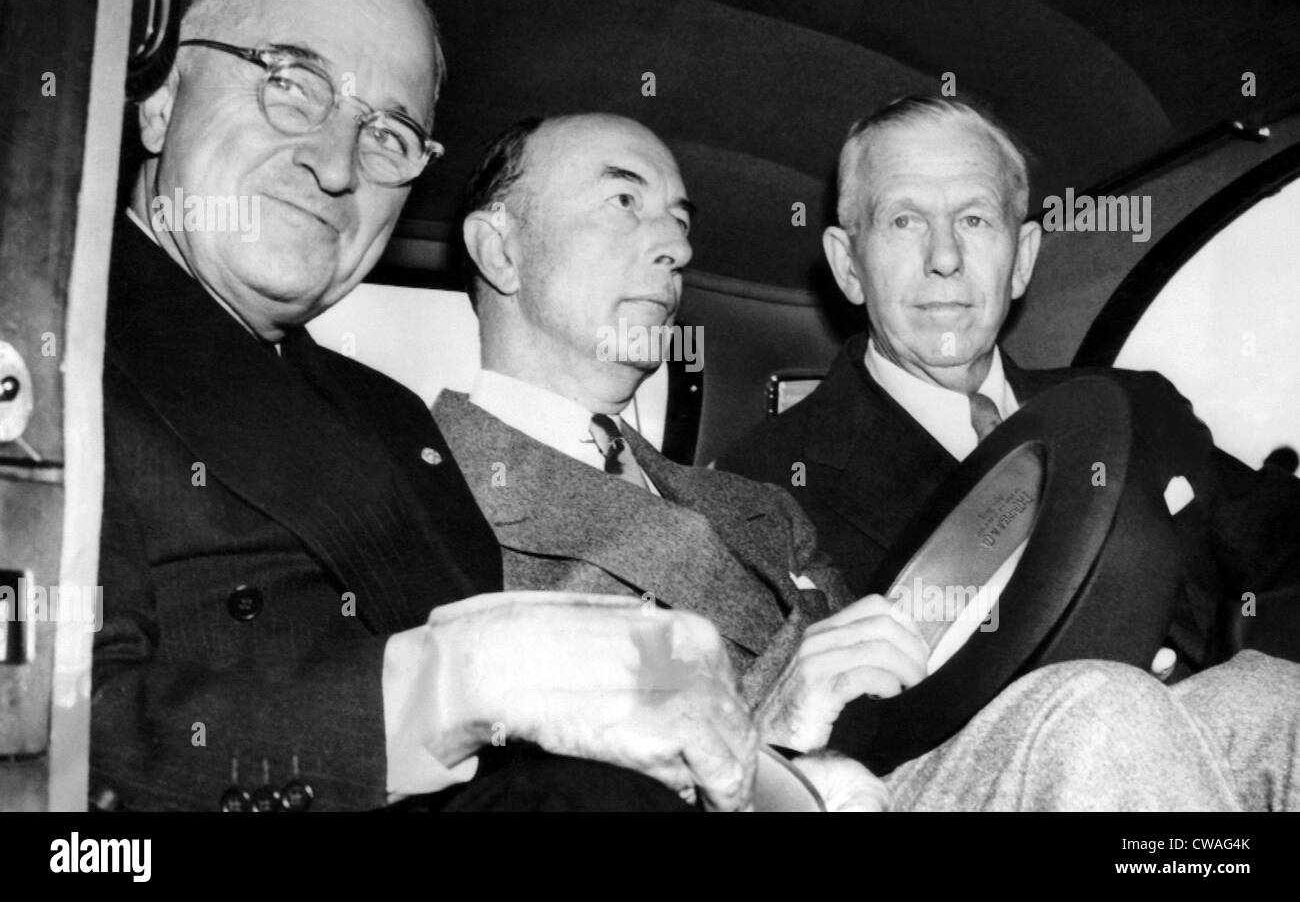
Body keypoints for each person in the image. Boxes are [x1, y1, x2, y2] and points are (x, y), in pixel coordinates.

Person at [93, 0, 756, 813]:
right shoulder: (43, 353)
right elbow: (53, 751)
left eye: (388, 134)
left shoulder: (391, 419)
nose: (334, 165)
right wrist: (448, 686)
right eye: (290, 82)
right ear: (160, 101)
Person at [433, 110, 1263, 810]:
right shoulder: (434, 493)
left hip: (891, 777)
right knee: (1103, 713)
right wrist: (774, 725)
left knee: (1266, 698)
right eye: (624, 201)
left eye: (680, 223)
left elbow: (899, 691)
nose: (673, 248)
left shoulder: (734, 503)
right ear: (501, 250)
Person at [718, 95, 1300, 809]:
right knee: (1108, 716)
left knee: (1276, 693)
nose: (944, 258)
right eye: (905, 222)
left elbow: (1284, 540)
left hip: (1196, 789)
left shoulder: (1134, 409)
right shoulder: (760, 485)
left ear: (1021, 258)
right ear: (847, 264)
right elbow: (767, 743)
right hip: (976, 783)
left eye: (974, 219)